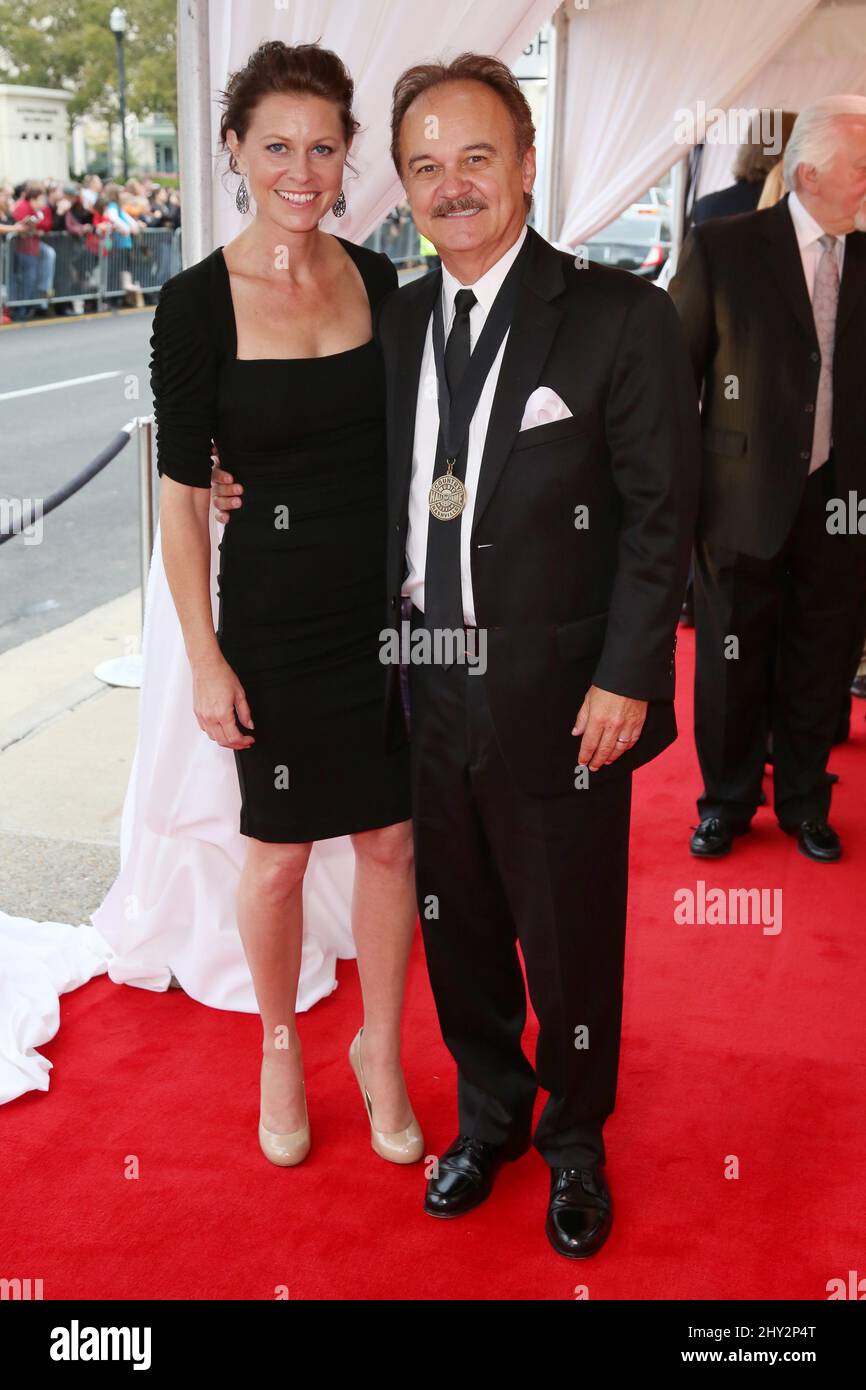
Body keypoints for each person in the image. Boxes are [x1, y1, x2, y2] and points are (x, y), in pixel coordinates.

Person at [215, 52, 700, 1258]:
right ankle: (488, 1118)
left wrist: (629, 672)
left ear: (526, 166)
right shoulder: (389, 316)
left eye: (475, 158)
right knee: (458, 920)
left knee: (569, 931)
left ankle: (574, 1143)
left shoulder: (616, 316)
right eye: (423, 166)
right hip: (421, 677)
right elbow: (325, 457)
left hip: (564, 688)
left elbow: (658, 515)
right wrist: (236, 484)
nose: (450, 185)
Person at [150, 41, 420, 1170]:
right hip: (269, 612)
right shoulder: (194, 303)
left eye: (321, 146)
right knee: (274, 854)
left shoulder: (381, 278)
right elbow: (175, 499)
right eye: (276, 147)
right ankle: (275, 1044)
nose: (300, 170)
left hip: (380, 609)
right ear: (234, 153)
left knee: (392, 841)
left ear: (348, 154)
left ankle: (381, 1050)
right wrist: (206, 659)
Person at [669, 95, 866, 863]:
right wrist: (681, 497)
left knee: (823, 648)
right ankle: (726, 801)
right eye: (861, 170)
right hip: (740, 501)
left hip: (843, 501)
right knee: (729, 658)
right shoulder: (724, 246)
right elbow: (675, 376)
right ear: (810, 172)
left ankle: (806, 801)